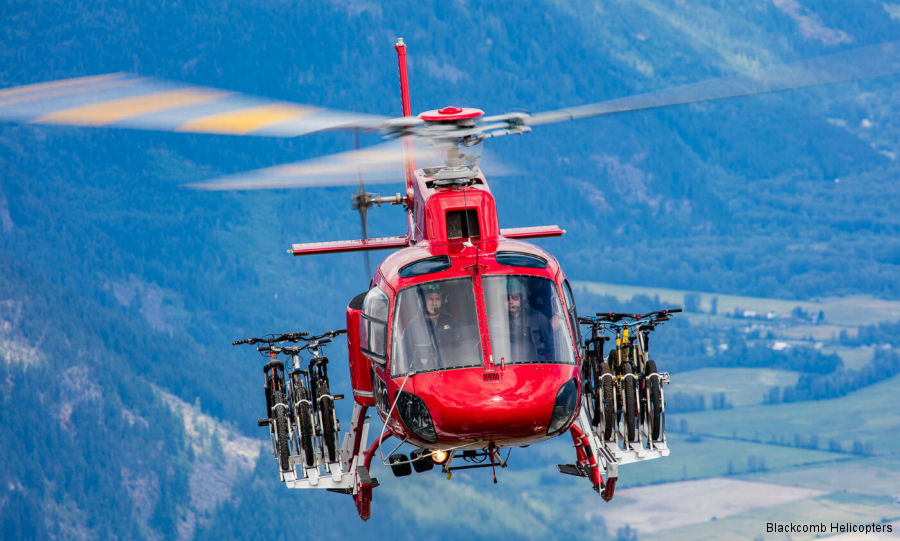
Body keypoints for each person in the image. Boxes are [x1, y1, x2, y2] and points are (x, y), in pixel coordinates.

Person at [400, 283, 460, 370]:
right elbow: (406, 362)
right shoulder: (412, 329)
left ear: (442, 301)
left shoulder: (453, 323)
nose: (434, 303)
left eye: (437, 299)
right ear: (422, 302)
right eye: (430, 299)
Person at [505, 278, 554, 362]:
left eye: (515, 298)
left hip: (537, 366)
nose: (511, 302)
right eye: (507, 298)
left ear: (522, 299)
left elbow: (552, 347)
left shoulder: (538, 318)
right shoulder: (498, 321)